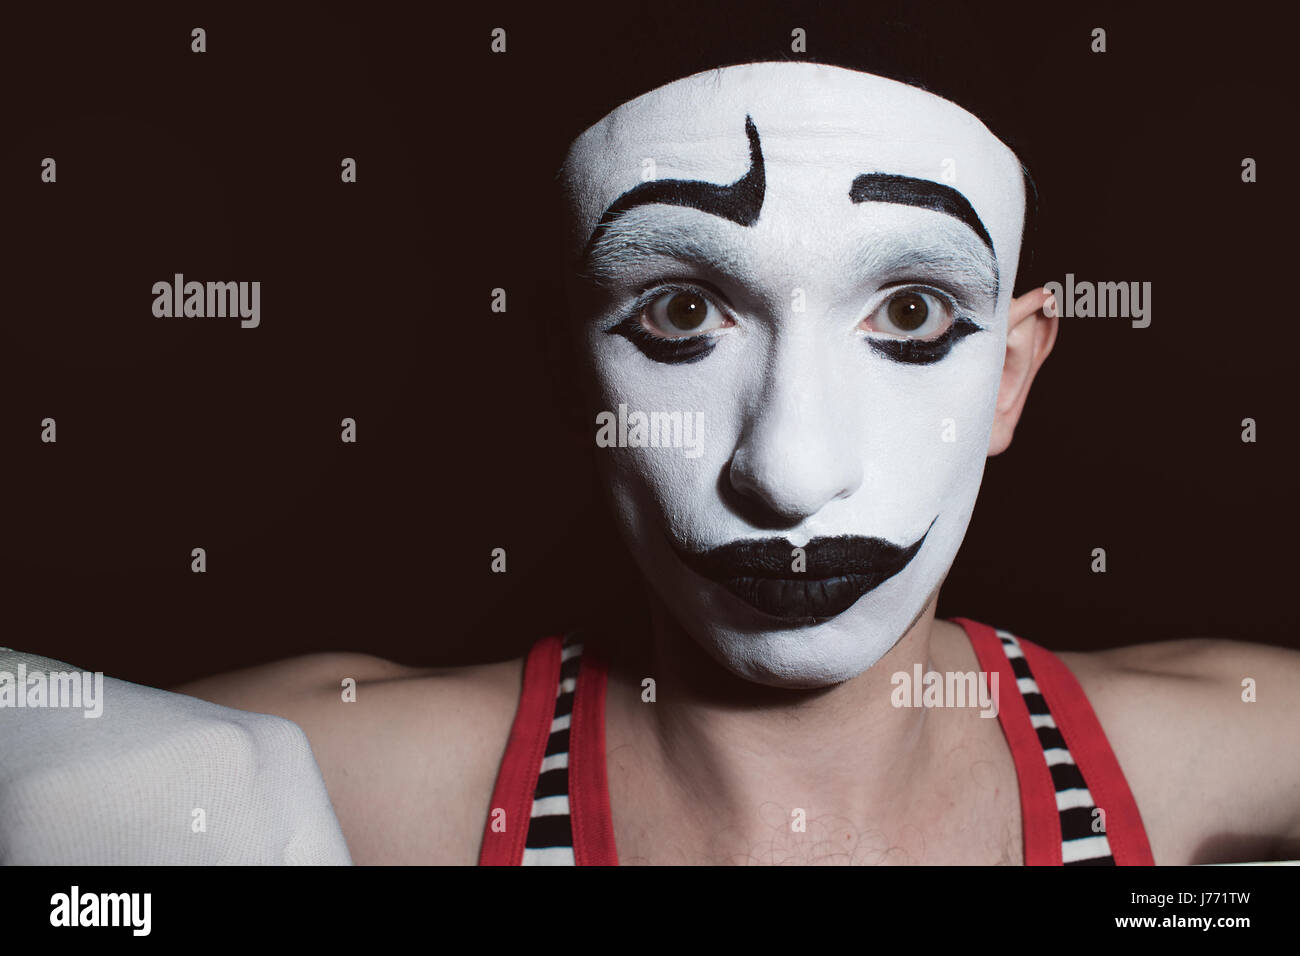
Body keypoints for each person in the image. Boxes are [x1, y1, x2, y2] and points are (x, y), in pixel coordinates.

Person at [4, 61, 1297, 866]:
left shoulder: (1250, 757)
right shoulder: (317, 772)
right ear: (574, 375)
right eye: (681, 314)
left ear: (1009, 372)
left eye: (907, 315)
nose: (788, 475)